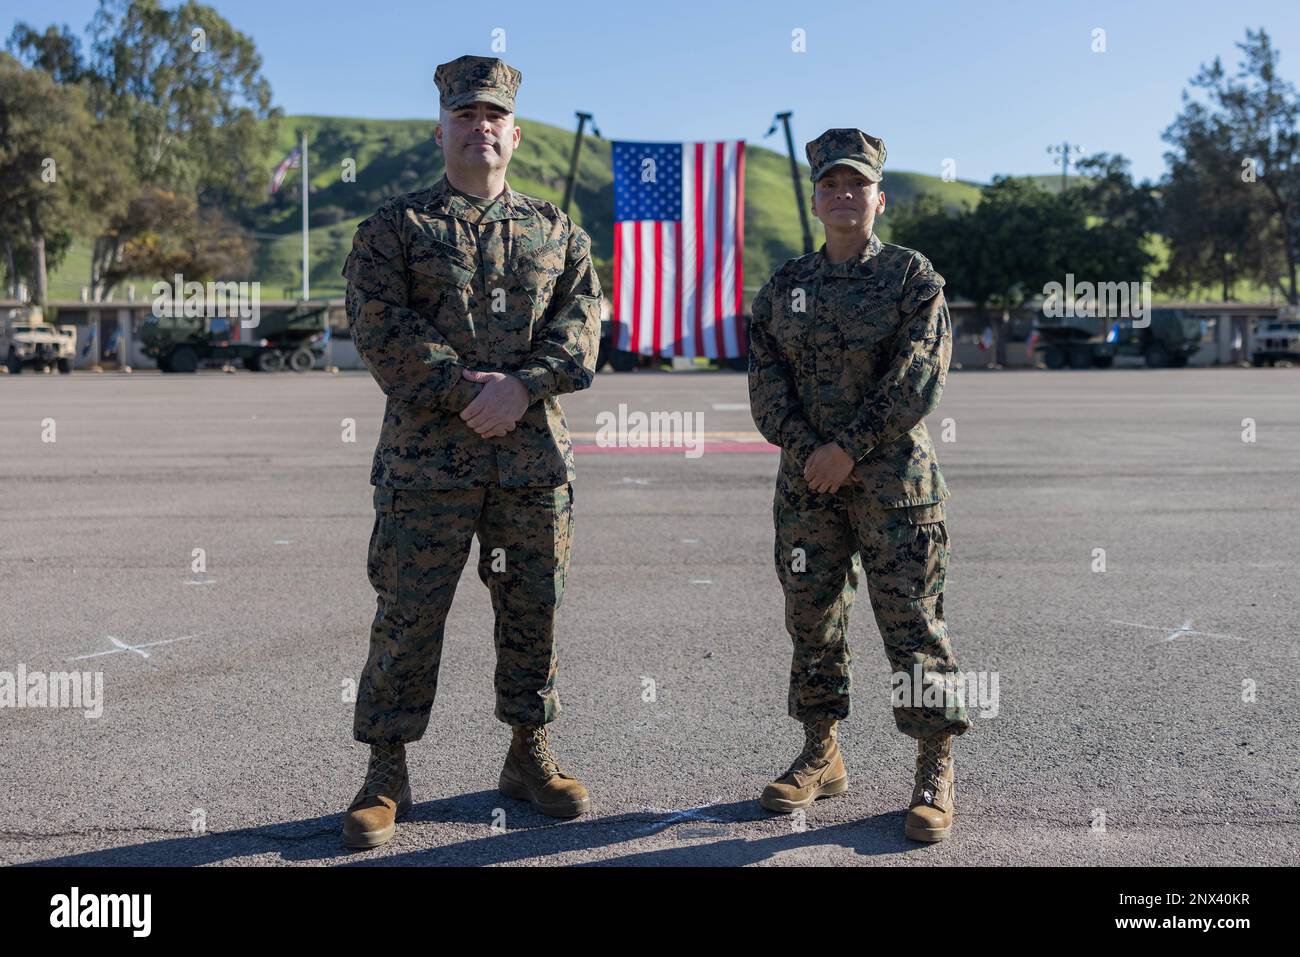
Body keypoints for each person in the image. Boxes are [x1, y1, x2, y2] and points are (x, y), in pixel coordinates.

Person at [340, 55, 602, 849]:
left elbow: (583, 326)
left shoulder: (557, 231)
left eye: (493, 117)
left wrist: (521, 388)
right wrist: (467, 390)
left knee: (534, 614)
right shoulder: (394, 229)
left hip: (530, 468)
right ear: (441, 129)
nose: (479, 127)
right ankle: (386, 769)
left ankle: (528, 752)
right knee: (407, 616)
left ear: (514, 135)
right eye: (465, 115)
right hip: (426, 467)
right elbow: (379, 327)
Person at [747, 128, 971, 841]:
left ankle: (935, 763)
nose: (844, 196)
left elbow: (918, 376)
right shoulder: (786, 286)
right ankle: (822, 751)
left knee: (912, 625)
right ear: (817, 200)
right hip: (809, 484)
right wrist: (813, 450)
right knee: (813, 620)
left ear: (881, 196)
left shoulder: (912, 278)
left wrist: (848, 446)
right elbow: (766, 383)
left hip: (895, 488)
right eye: (831, 185)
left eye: (858, 184)